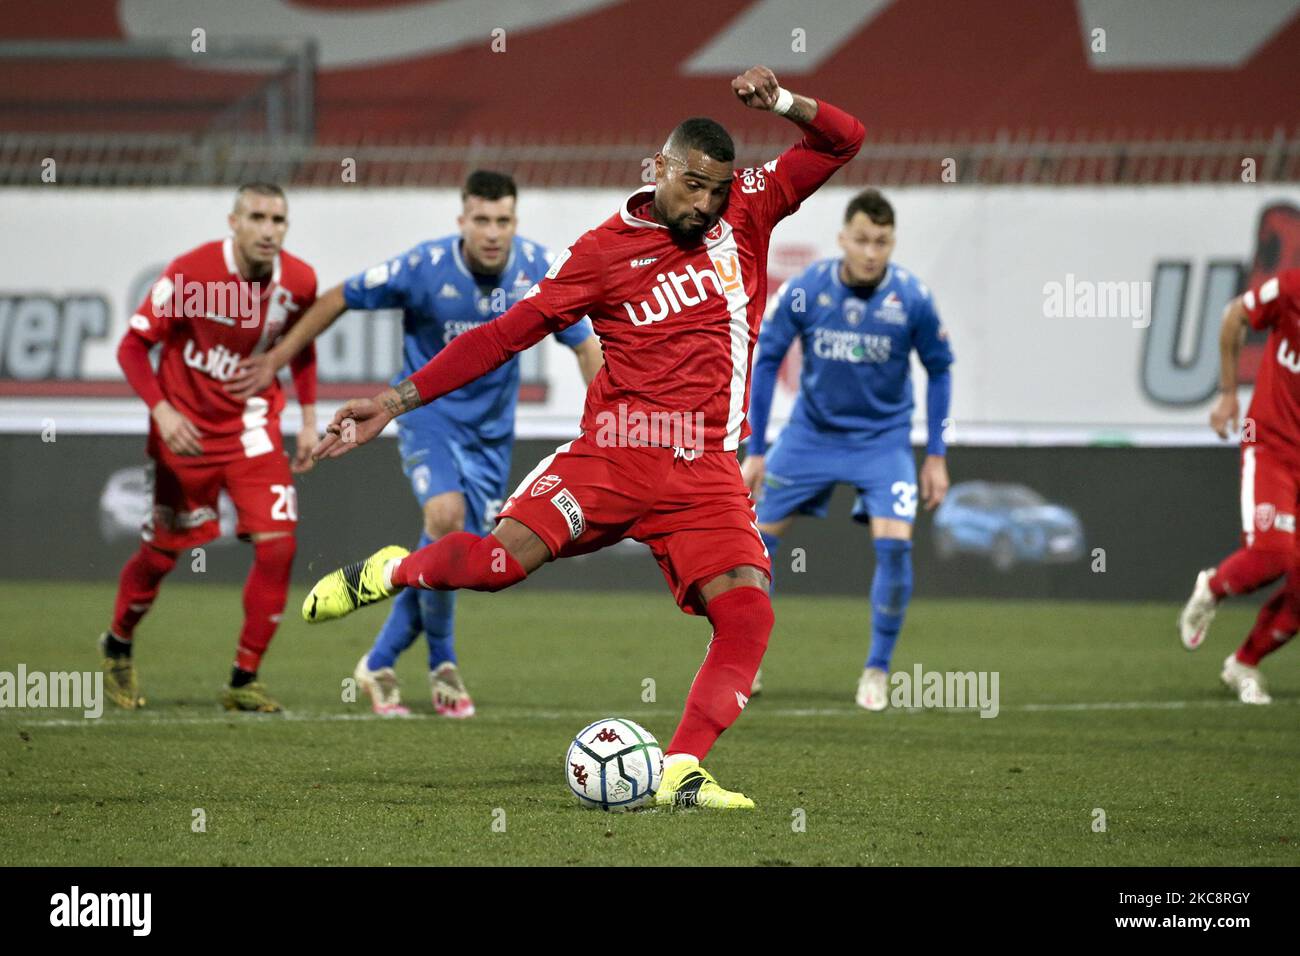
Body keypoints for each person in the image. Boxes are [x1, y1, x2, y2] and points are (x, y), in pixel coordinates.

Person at [303, 66, 863, 809]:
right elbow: (502, 336)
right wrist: (394, 401)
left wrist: (786, 103)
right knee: (497, 563)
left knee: (748, 608)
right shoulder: (601, 252)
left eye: (717, 189)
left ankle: (681, 771)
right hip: (616, 454)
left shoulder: (750, 210)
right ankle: (392, 571)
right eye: (692, 184)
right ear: (659, 169)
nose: (706, 202)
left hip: (706, 473)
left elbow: (844, 140)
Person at [228, 171, 601, 717]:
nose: (492, 233)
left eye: (503, 221)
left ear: (515, 223)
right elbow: (338, 297)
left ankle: (378, 662)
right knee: (445, 517)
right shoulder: (422, 269)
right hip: (428, 419)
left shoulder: (537, 270)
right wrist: (276, 360)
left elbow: (586, 345)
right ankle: (443, 663)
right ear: (462, 221)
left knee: (456, 554)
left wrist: (607, 420)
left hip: (492, 437)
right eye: (481, 220)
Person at [101, 182, 319, 712]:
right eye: (258, 217)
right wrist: (162, 409)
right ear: (234, 221)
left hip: (251, 429)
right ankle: (117, 645)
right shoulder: (190, 273)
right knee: (161, 555)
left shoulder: (299, 280)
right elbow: (133, 345)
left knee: (279, 545)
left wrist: (310, 419)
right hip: (187, 435)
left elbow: (301, 348)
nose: (270, 230)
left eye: (279, 220)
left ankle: (244, 681)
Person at [742, 189, 953, 711]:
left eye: (881, 242)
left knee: (896, 544)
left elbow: (941, 368)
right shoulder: (806, 289)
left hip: (882, 442)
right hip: (810, 435)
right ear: (842, 239)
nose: (870, 252)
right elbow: (765, 359)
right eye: (861, 239)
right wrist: (758, 447)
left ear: (892, 242)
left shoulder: (913, 298)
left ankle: (877, 671)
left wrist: (936, 454)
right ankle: (745, 661)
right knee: (749, 545)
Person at [1179, 267, 1300, 704]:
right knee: (1273, 553)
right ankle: (1211, 589)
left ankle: (1244, 663)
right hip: (1270, 444)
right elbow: (1234, 316)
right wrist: (1228, 393)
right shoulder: (1290, 288)